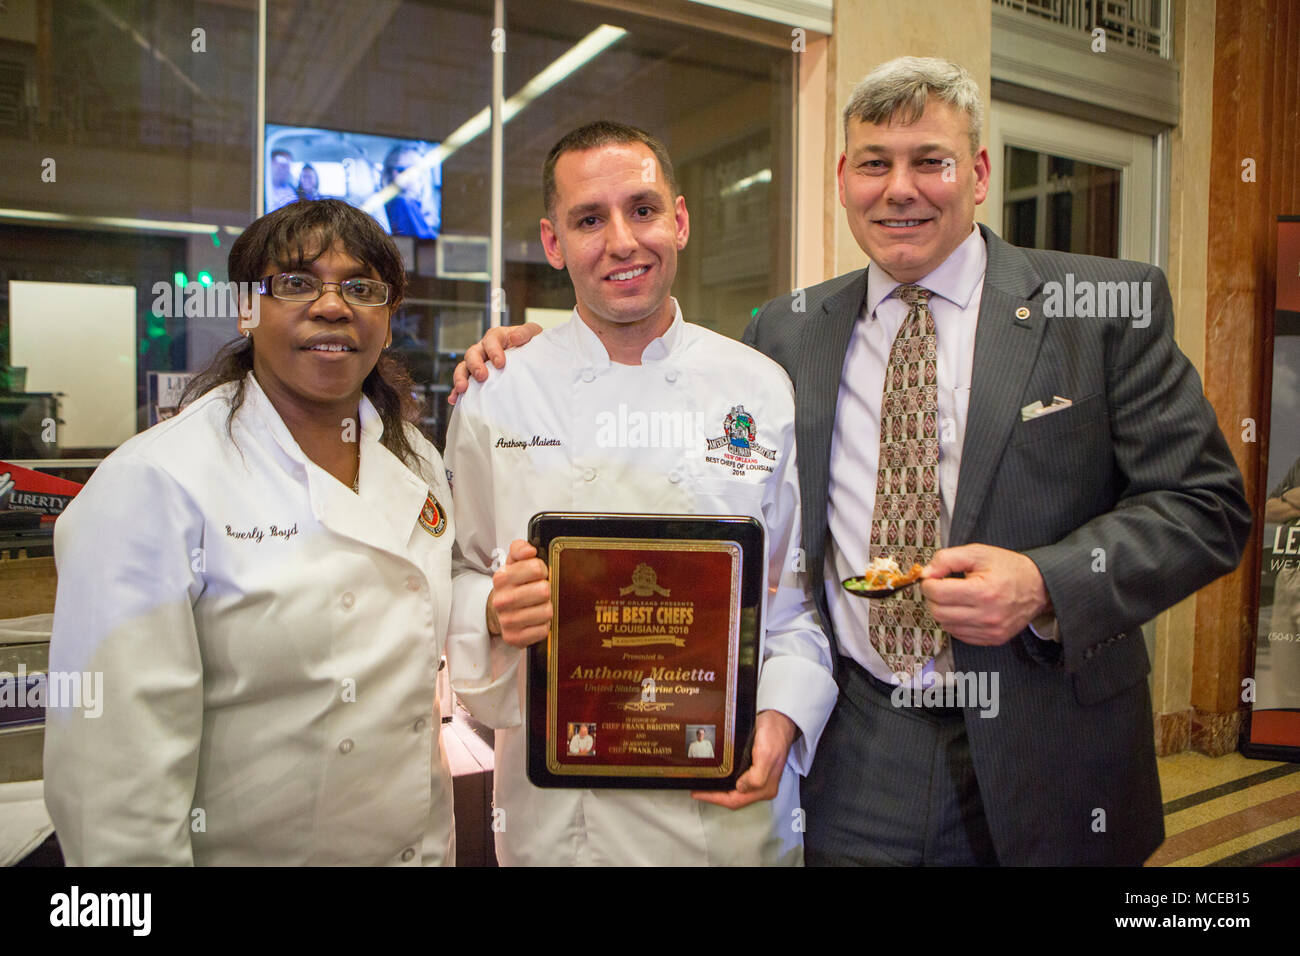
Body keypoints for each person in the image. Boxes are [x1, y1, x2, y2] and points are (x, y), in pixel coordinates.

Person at [448, 59, 1252, 866]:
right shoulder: (790, 337)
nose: (900, 189)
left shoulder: (1099, 311)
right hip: (862, 746)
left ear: (976, 173)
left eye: (929, 160)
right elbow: (782, 563)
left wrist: (1048, 583)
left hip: (1047, 732)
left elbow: (1207, 504)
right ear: (844, 179)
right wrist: (529, 353)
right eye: (875, 163)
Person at [444, 121, 837, 866]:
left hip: (723, 814)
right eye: (590, 219)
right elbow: (456, 576)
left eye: (643, 209)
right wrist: (494, 610)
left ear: (680, 221)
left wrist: (782, 719)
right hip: (565, 824)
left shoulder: (756, 388)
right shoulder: (498, 395)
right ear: (554, 243)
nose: (622, 241)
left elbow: (792, 600)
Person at [44, 199, 458, 865]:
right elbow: (113, 794)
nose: (332, 306)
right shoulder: (154, 484)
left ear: (389, 315)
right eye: (295, 283)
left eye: (362, 287)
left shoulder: (415, 458)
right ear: (244, 309)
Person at [382, 144, 438, 239]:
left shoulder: (415, 204)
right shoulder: (404, 203)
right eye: (400, 170)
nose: (395, 176)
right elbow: (428, 243)